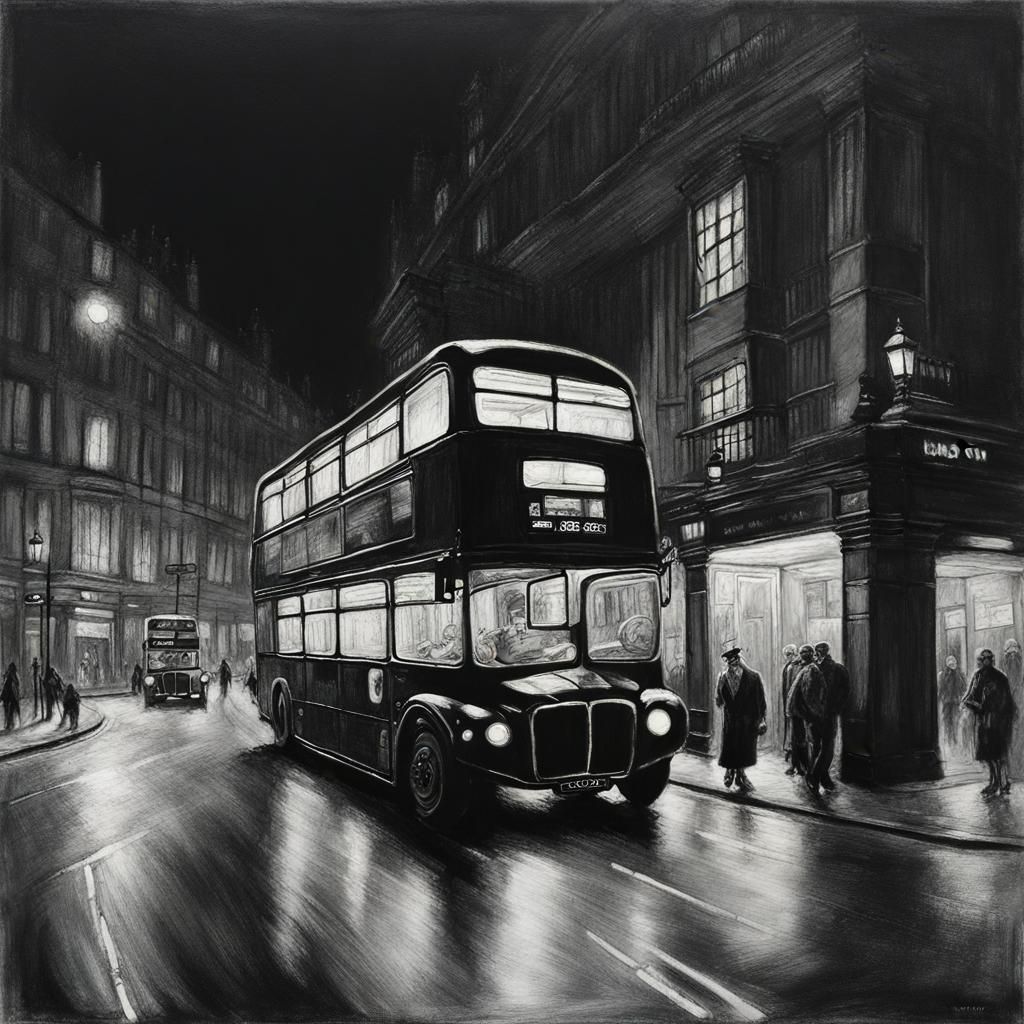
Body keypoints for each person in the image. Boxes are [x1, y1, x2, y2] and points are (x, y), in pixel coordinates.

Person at [962, 648, 1017, 796]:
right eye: (983, 658)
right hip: (983, 720)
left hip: (997, 721)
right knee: (988, 755)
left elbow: (1006, 702)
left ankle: (1001, 783)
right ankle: (994, 782)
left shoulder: (1000, 677)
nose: (985, 660)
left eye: (988, 658)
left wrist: (995, 712)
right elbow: (970, 696)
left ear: (992, 659)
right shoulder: (978, 675)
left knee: (997, 754)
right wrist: (974, 705)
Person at [714, 643, 767, 793]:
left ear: (738, 660)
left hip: (748, 719)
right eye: (729, 663)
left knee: (744, 747)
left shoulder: (753, 677)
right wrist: (720, 690)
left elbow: (761, 701)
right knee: (731, 746)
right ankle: (731, 771)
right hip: (731, 719)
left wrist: (762, 720)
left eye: (734, 661)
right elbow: (719, 701)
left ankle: (740, 774)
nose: (732, 666)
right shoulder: (722, 677)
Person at [787, 645, 828, 795]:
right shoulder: (810, 669)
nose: (801, 655)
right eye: (801, 652)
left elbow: (807, 694)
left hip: (803, 714)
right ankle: (811, 776)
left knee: (810, 745)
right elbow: (809, 695)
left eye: (803, 652)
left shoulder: (808, 669)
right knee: (813, 745)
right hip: (806, 715)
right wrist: (815, 713)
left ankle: (812, 775)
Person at [813, 641, 850, 791]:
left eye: (818, 651)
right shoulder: (835, 669)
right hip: (824, 714)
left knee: (822, 747)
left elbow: (845, 691)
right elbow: (845, 692)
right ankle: (819, 777)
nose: (817, 654)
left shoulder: (815, 669)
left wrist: (835, 709)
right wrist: (835, 709)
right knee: (825, 747)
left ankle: (819, 776)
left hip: (820, 714)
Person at [780, 644, 807, 776]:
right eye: (786, 655)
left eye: (789, 654)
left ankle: (800, 766)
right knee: (794, 736)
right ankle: (796, 765)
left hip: (799, 707)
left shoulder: (800, 666)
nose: (788, 657)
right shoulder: (788, 667)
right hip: (791, 707)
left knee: (799, 737)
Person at [938, 654, 967, 754]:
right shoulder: (943, 675)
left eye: (953, 664)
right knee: (947, 722)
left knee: (955, 721)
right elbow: (941, 688)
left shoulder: (960, 674)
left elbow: (964, 687)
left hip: (956, 702)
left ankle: (955, 742)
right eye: (950, 664)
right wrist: (941, 698)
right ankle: (949, 742)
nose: (952, 666)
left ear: (956, 663)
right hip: (947, 702)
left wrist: (962, 699)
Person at [1, 662, 21, 731]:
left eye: (11, 667)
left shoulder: (14, 674)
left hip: (12, 695)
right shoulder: (8, 674)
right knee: (8, 711)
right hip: (7, 695)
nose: (10, 669)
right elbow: (5, 685)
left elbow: (17, 683)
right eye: (9, 668)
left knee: (12, 710)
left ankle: (12, 724)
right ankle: (9, 724)